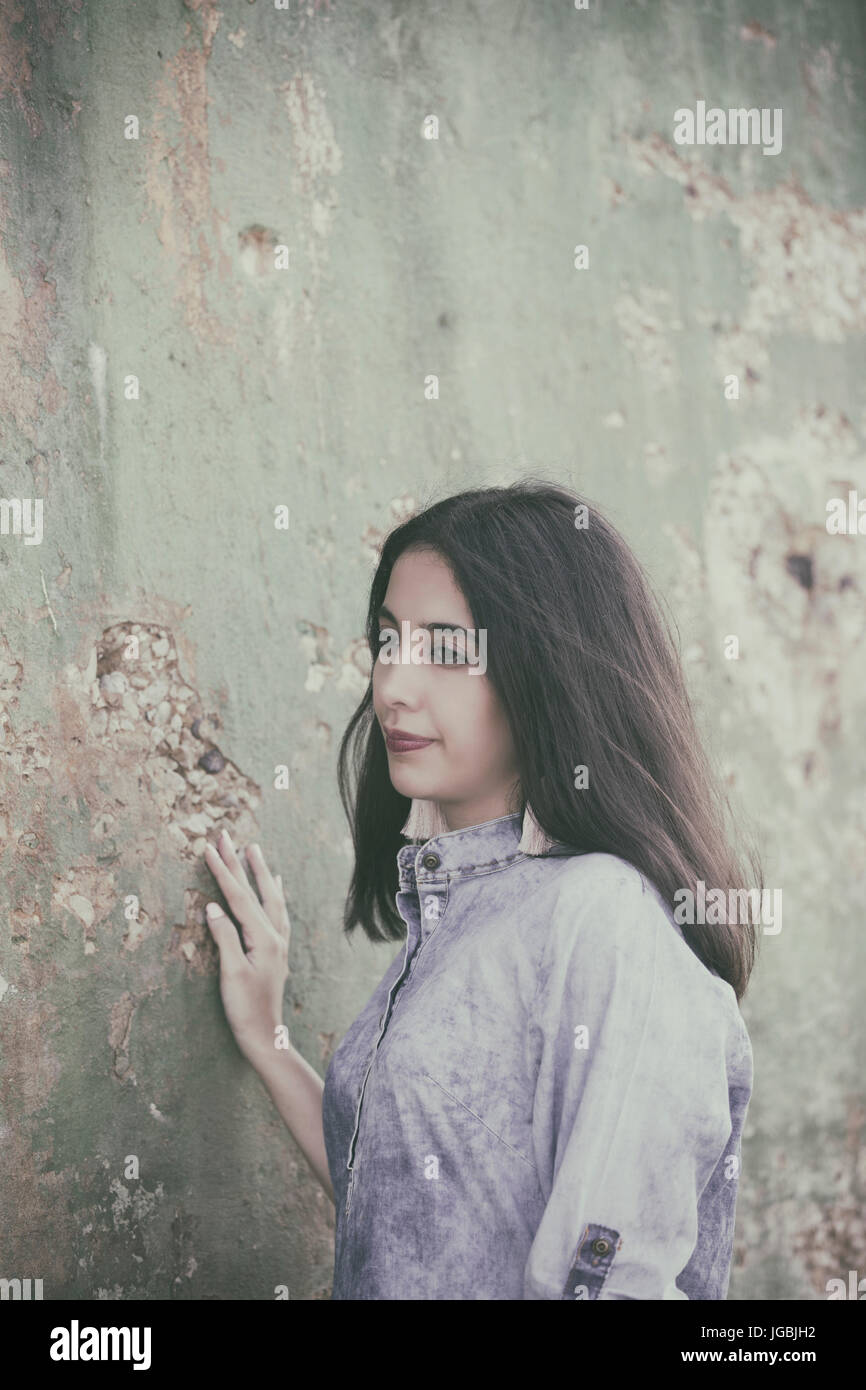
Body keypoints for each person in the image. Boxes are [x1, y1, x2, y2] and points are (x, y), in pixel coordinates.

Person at [203, 481, 758, 1300]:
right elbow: (402, 1218)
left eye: (448, 650)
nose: (393, 683)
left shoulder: (601, 916)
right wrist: (266, 1038)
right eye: (388, 640)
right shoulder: (458, 915)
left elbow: (607, 1280)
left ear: (547, 671)